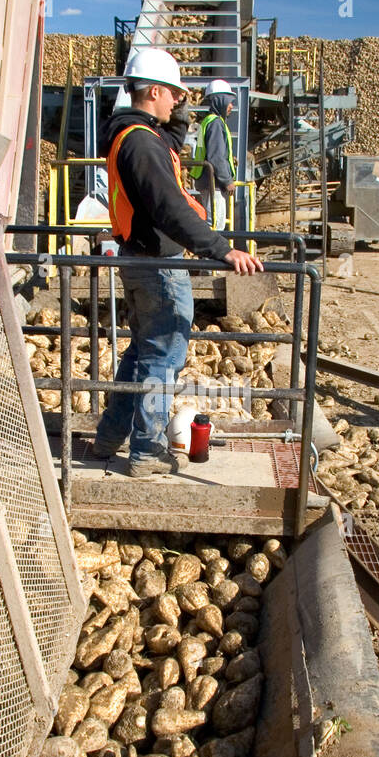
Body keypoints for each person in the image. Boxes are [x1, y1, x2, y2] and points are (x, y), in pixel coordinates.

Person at [92, 49, 262, 477]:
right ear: (153, 91)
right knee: (163, 356)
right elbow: (170, 207)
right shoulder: (141, 143)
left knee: (141, 353)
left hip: (139, 258)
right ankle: (148, 450)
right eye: (173, 95)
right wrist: (221, 249)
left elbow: (167, 148)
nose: (177, 102)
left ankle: (111, 436)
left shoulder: (133, 135)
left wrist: (181, 113)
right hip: (158, 264)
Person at [192, 79, 236, 231]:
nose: (231, 106)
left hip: (208, 181)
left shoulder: (208, 122)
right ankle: (210, 256)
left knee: (213, 224)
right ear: (220, 101)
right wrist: (227, 180)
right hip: (214, 183)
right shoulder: (216, 123)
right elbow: (216, 157)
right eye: (229, 102)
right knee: (215, 226)